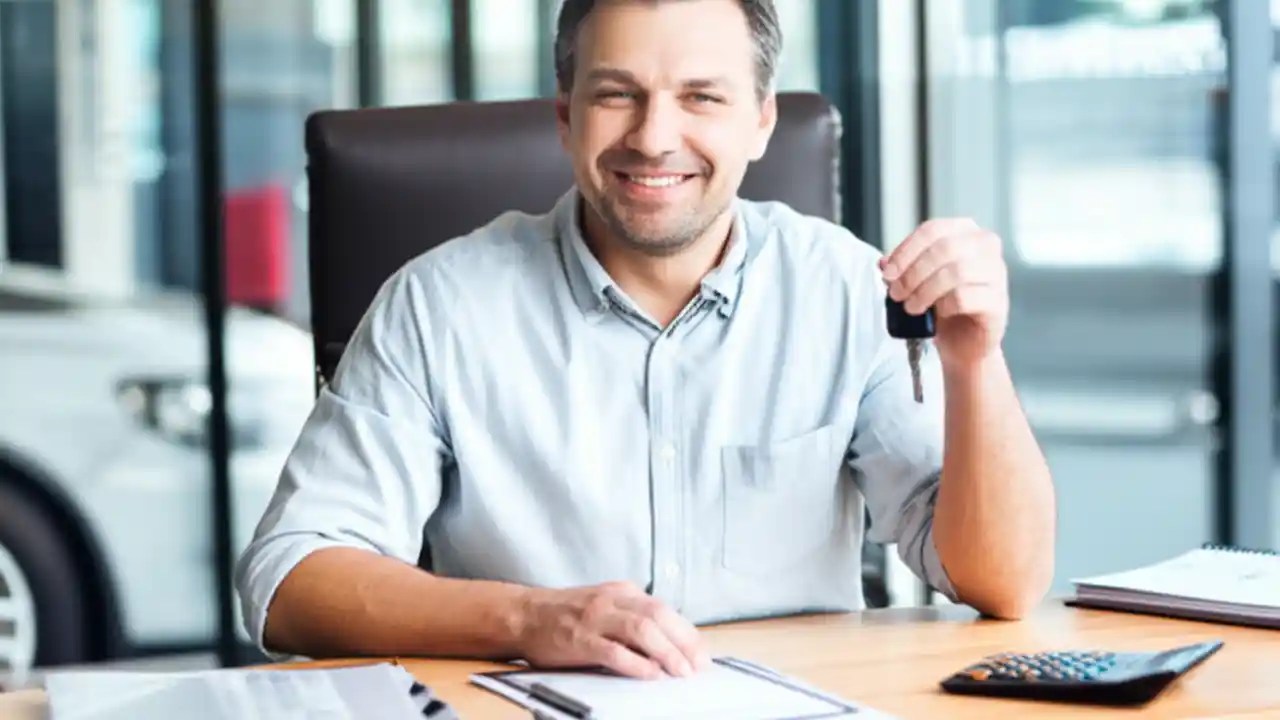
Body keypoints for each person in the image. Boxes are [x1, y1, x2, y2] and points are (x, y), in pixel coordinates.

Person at [235, 0, 1056, 681]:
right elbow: (288, 582)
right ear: (565, 116)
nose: (655, 137)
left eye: (702, 97)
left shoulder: (845, 287)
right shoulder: (439, 303)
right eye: (617, 94)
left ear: (761, 122)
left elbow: (1003, 583)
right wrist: (530, 617)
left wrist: (974, 360)